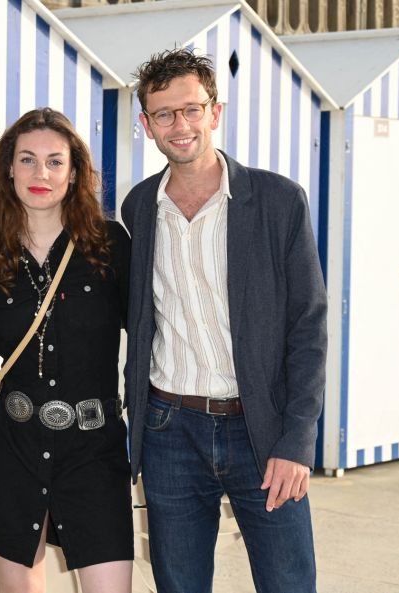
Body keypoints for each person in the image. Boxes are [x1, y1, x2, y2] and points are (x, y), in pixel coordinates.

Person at [121, 48, 327, 593]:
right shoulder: (139, 208)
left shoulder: (279, 201)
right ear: (146, 125)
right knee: (179, 584)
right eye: (163, 114)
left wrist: (297, 440)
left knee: (288, 582)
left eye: (191, 109)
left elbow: (309, 326)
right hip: (170, 431)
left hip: (261, 431)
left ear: (215, 112)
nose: (179, 125)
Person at [0, 108, 134, 593]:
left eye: (54, 161)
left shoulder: (110, 245)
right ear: (8, 169)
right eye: (27, 160)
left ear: (74, 172)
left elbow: (154, 338)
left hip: (95, 452)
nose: (40, 174)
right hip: (14, 449)